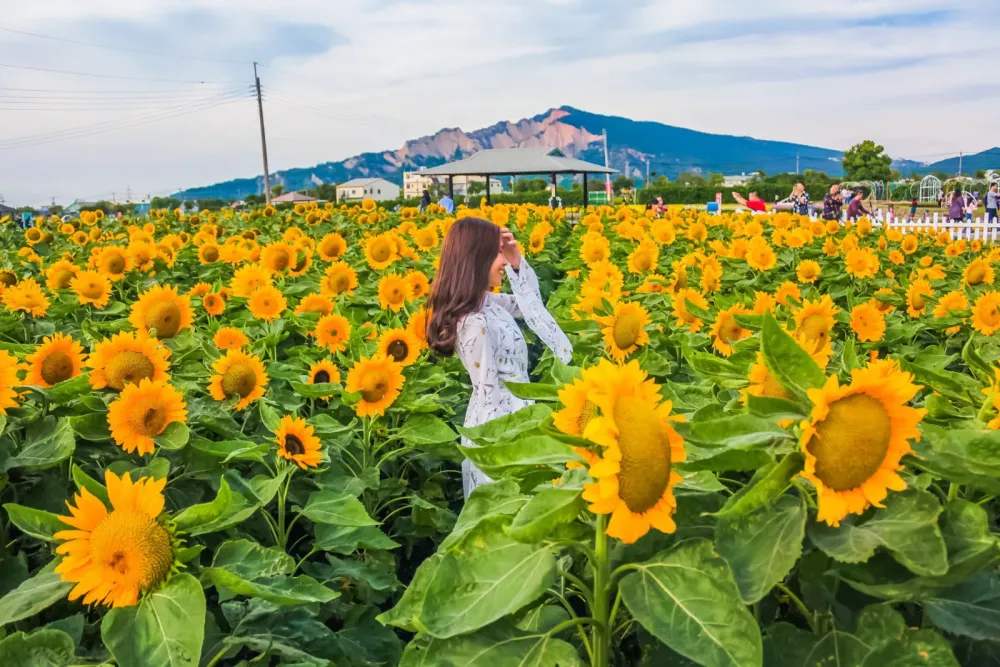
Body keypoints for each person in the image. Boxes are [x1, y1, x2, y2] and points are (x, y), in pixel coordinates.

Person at [426, 218, 573, 499]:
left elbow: (529, 305)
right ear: (475, 258)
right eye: (496, 254)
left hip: (516, 416)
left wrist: (516, 260)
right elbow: (488, 393)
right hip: (499, 428)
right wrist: (510, 443)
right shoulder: (474, 323)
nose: (502, 261)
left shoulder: (487, 303)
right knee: (505, 503)